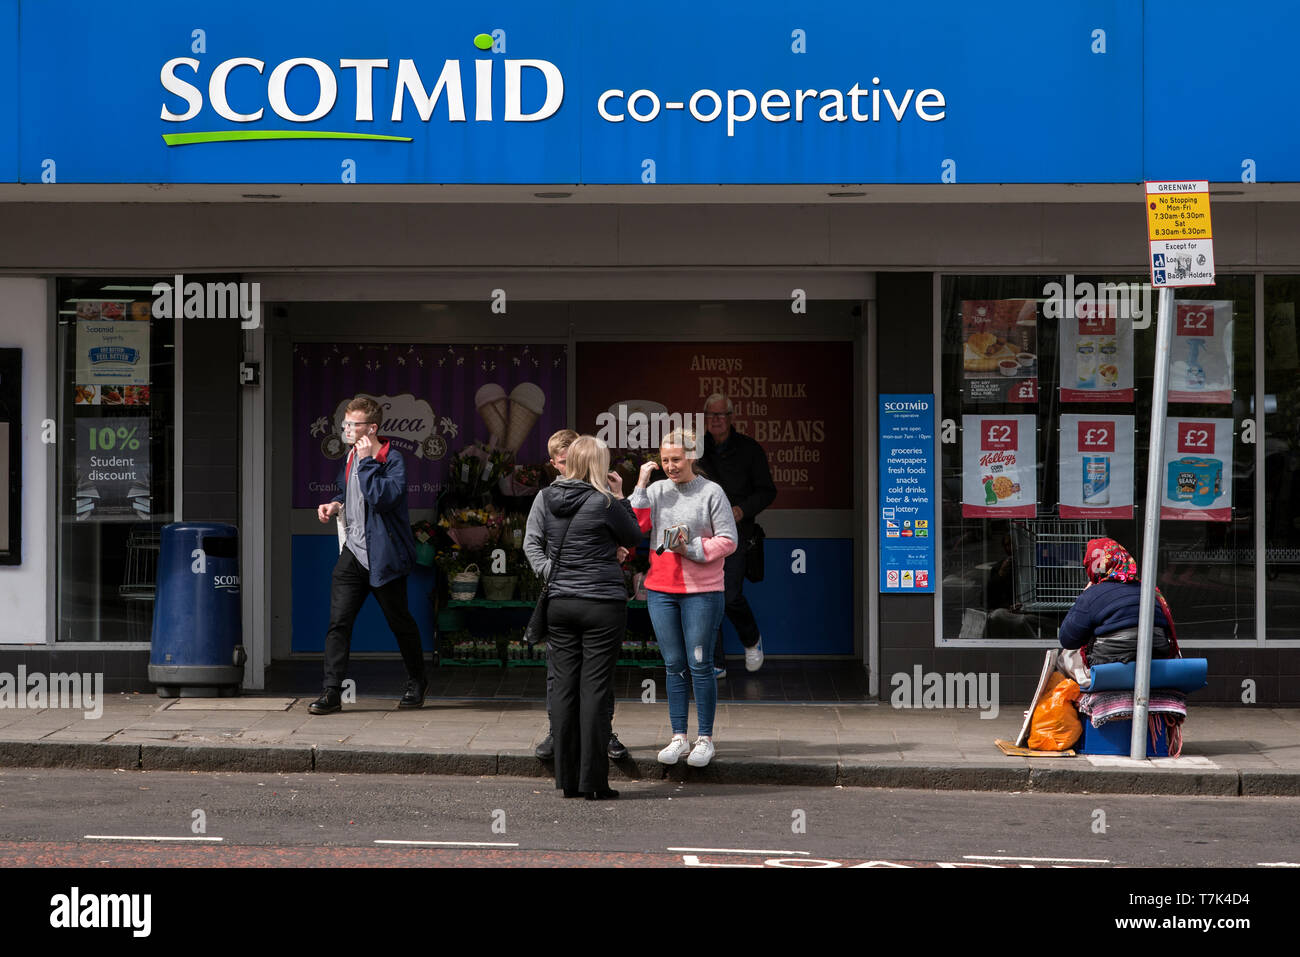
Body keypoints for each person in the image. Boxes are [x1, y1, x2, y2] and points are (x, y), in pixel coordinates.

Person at [529, 435, 643, 799]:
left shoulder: (545, 497)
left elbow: (533, 543)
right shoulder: (605, 501)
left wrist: (554, 575)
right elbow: (634, 534)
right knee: (594, 690)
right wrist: (622, 495)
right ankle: (594, 782)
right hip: (601, 604)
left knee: (562, 689)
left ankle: (568, 781)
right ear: (597, 464)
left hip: (560, 603)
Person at [310, 396, 426, 715]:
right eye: (345, 423)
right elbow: (348, 491)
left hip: (384, 556)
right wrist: (335, 504)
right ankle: (332, 692)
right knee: (339, 623)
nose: (346, 429)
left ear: (371, 428)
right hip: (353, 554)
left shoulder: (392, 459)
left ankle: (417, 682)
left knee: (399, 622)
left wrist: (367, 462)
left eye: (353, 424)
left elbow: (382, 498)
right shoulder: (351, 457)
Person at [630, 429, 738, 768]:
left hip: (702, 593)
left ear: (692, 457)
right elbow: (635, 526)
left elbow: (728, 540)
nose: (670, 466)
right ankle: (679, 736)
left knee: (700, 665)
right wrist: (641, 482)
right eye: (664, 461)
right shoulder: (658, 489)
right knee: (673, 664)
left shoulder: (711, 492)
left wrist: (690, 548)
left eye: (676, 460)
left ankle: (705, 738)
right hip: (661, 590)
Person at [699, 393, 776, 678]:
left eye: (721, 415)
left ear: (731, 418)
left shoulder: (749, 449)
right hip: (702, 533)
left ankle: (751, 638)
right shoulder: (696, 448)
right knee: (706, 594)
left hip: (737, 533)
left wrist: (743, 510)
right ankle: (715, 662)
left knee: (729, 595)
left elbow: (768, 491)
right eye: (711, 415)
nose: (716, 420)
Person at [1058, 537, 1181, 667]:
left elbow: (1068, 640)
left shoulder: (1093, 594)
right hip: (1157, 658)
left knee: (1064, 659)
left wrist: (1084, 595)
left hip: (1107, 662)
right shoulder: (1150, 591)